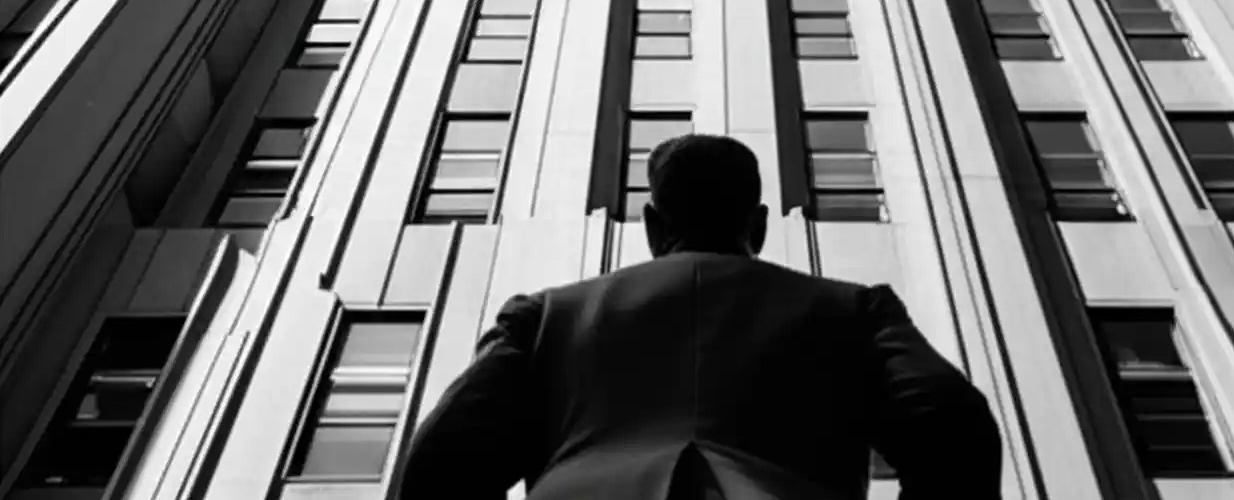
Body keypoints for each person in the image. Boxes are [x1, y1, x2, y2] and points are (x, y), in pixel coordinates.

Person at [392, 134, 1003, 499]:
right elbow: (952, 423)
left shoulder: (545, 316)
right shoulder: (855, 310)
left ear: (652, 226)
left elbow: (444, 459)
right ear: (758, 226)